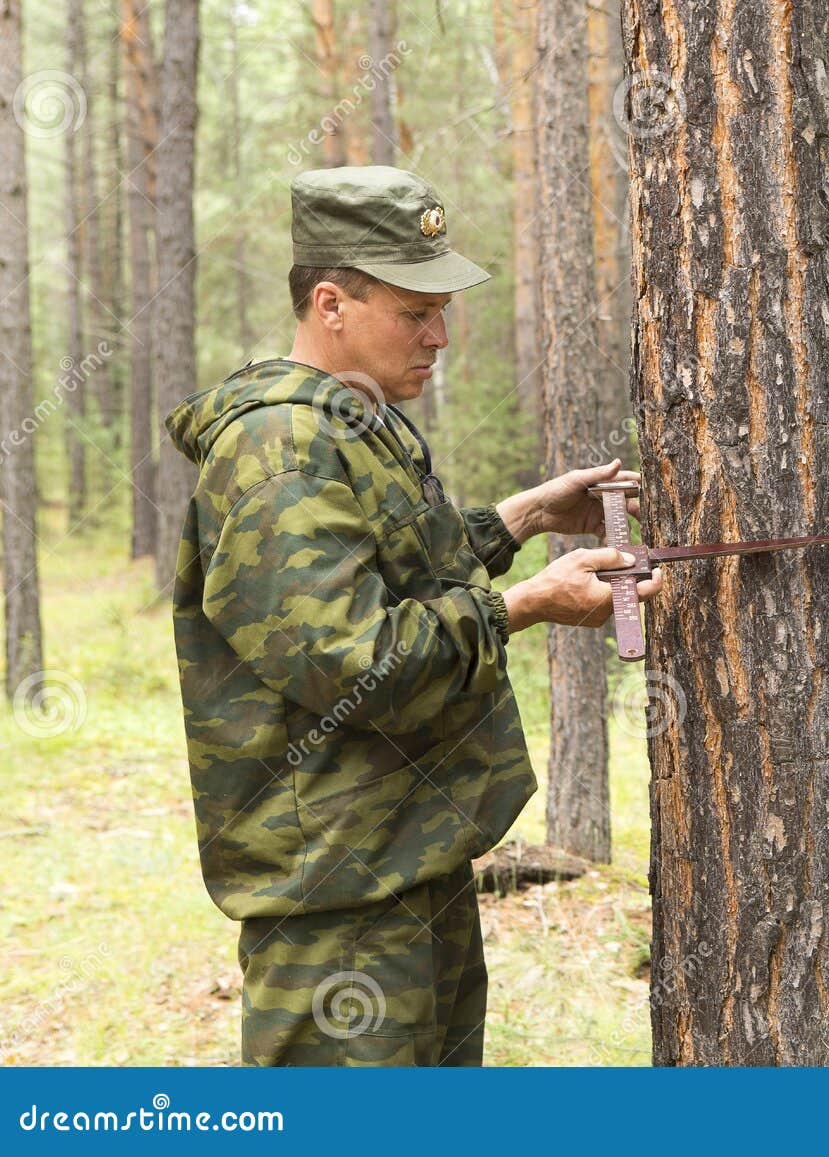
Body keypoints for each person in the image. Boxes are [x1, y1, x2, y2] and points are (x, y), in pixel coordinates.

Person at [164, 165, 660, 1065]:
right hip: (333, 896)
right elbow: (351, 657)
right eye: (413, 311)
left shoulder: (347, 419)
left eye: (442, 309)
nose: (439, 335)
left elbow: (392, 569)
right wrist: (525, 605)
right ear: (331, 303)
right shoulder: (280, 447)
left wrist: (526, 516)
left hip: (402, 855)